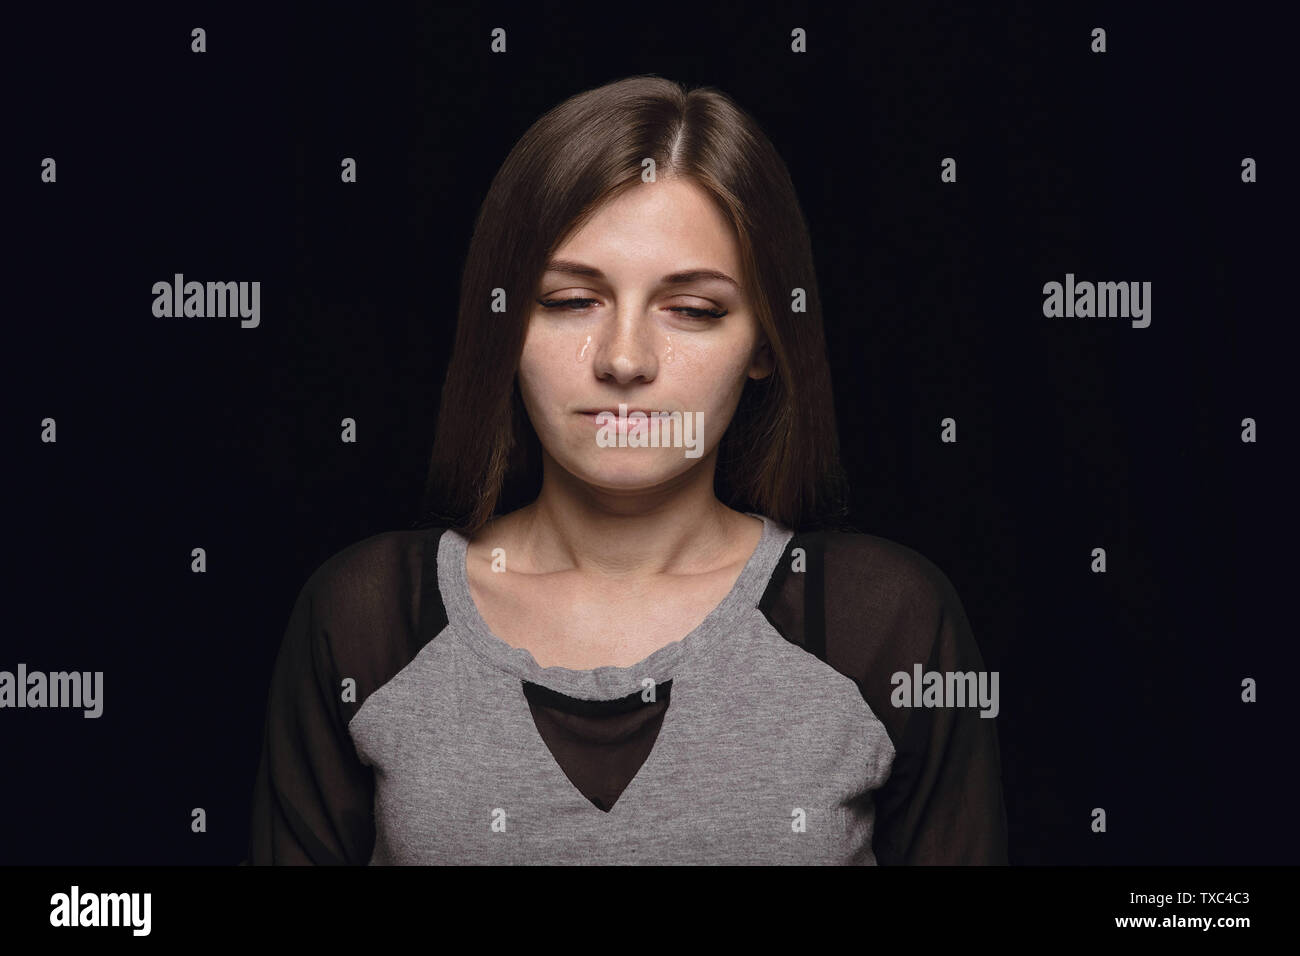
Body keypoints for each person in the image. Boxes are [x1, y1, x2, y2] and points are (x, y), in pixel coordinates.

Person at [246, 75, 1008, 865]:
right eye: (572, 299)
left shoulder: (884, 623)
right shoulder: (367, 621)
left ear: (764, 346)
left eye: (694, 309)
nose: (623, 359)